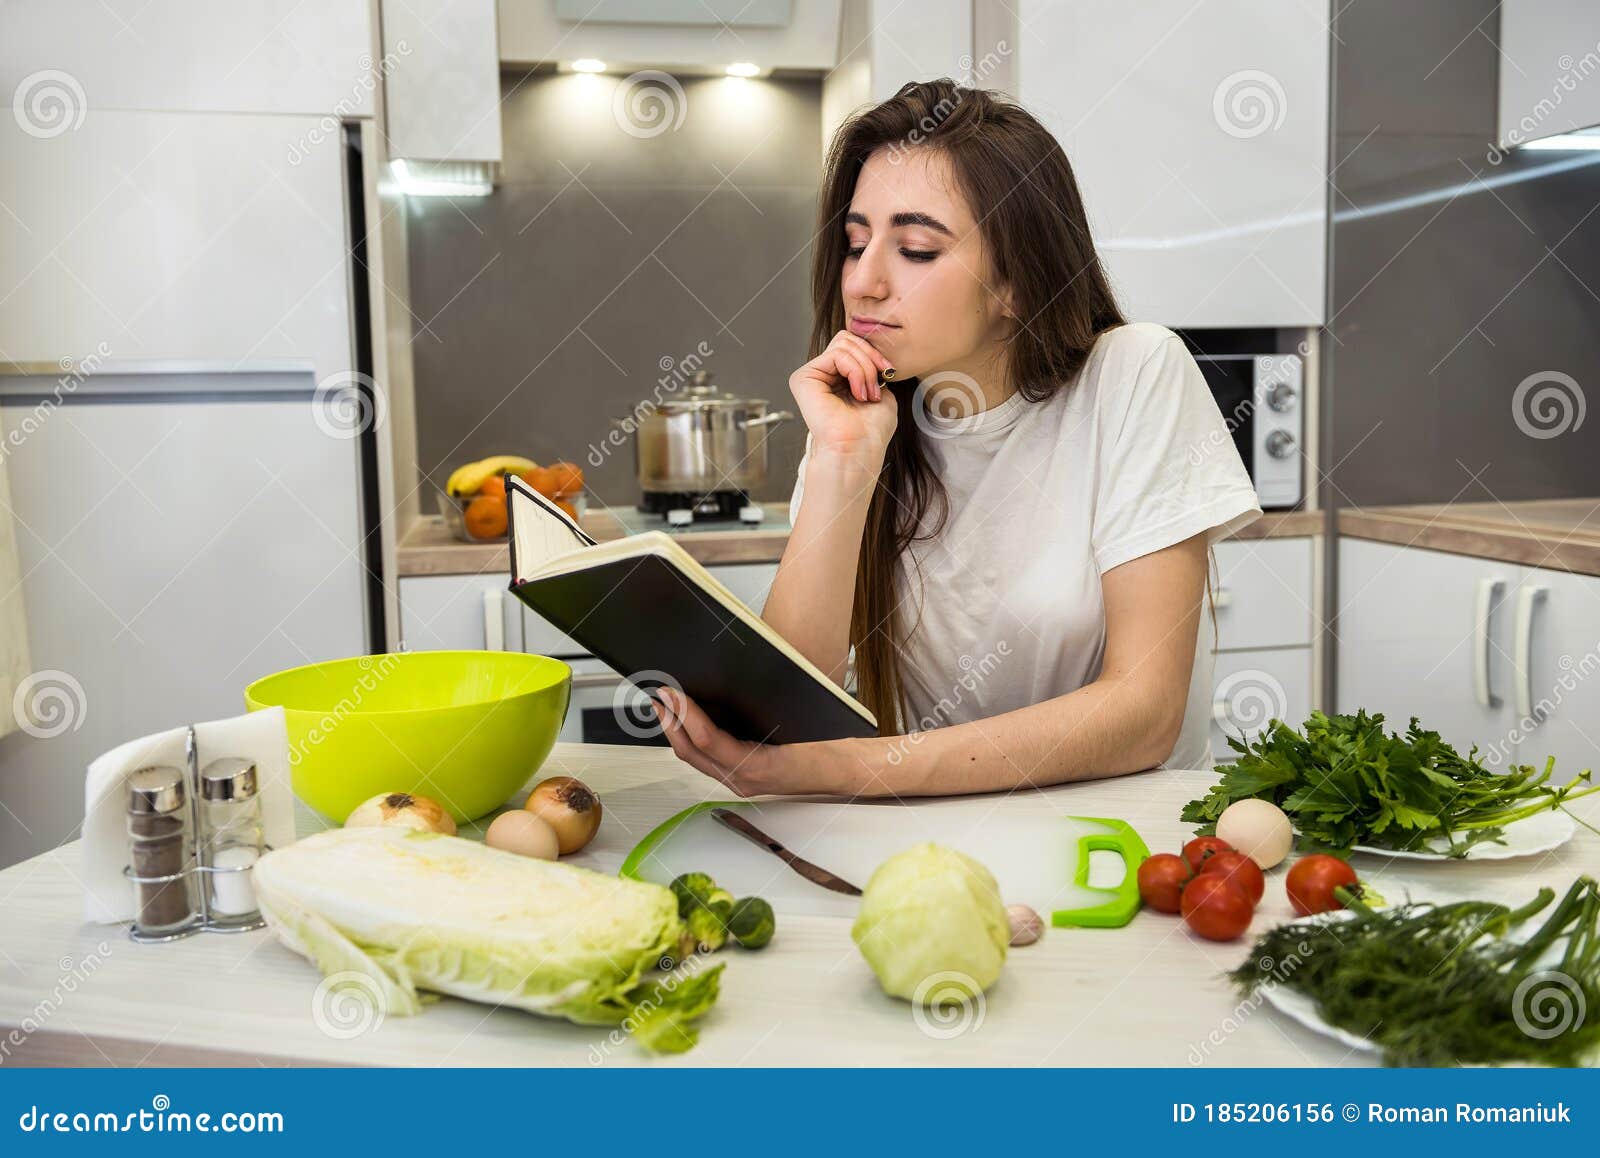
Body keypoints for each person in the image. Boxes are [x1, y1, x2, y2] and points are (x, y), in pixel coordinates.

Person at [652, 79, 1261, 797]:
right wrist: (843, 464)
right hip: (929, 835)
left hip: (1122, 841)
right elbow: (788, 720)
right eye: (855, 243)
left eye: (914, 249)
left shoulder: (1134, 373)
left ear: (1017, 285)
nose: (864, 282)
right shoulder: (859, 420)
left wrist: (854, 769)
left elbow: (1144, 712)